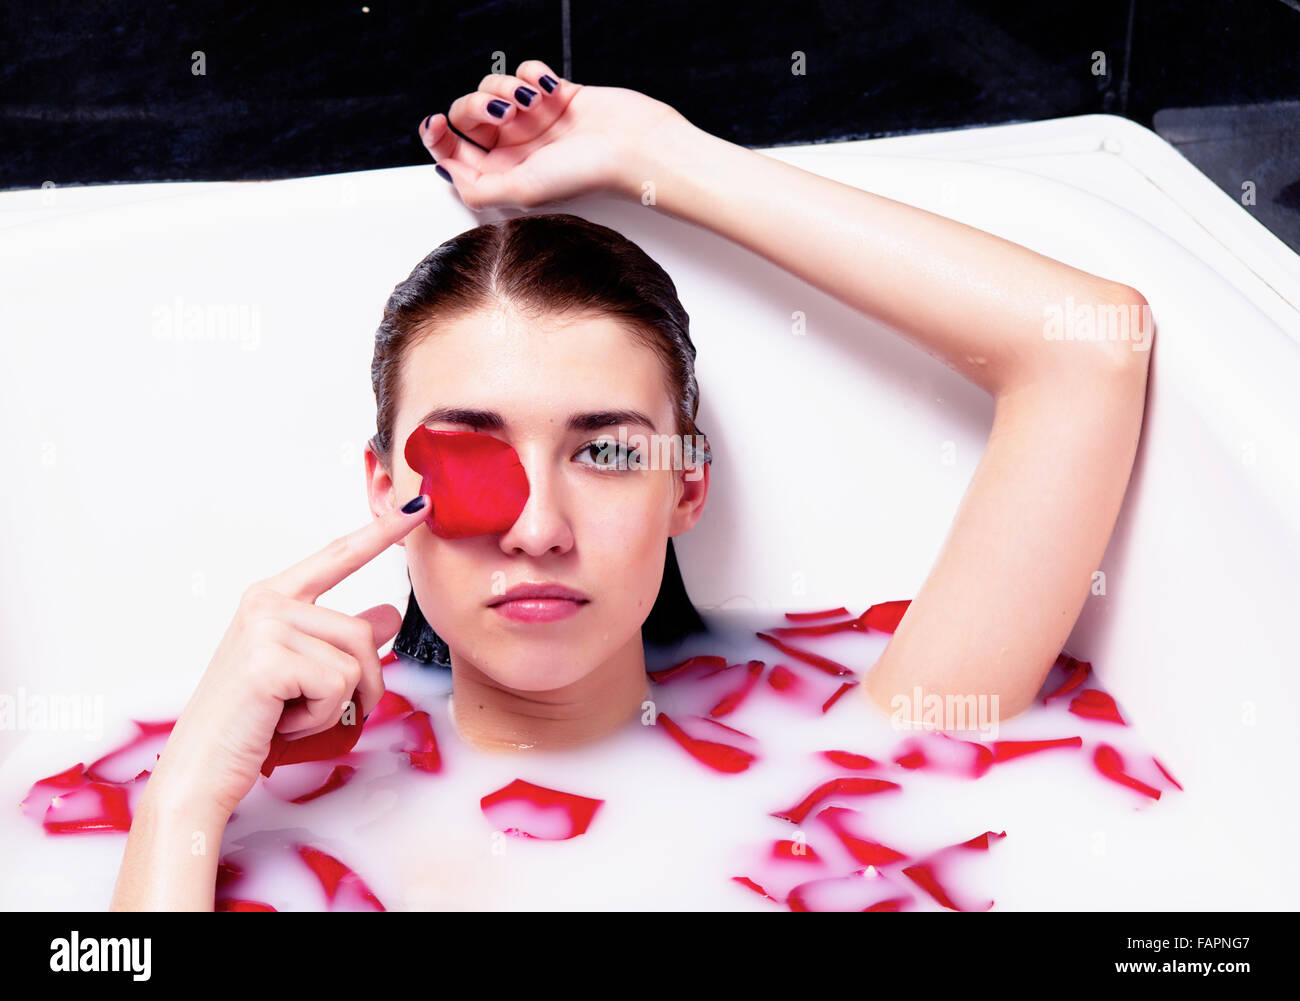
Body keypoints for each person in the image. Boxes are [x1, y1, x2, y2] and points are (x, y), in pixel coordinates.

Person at [111, 58, 1152, 910]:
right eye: (471, 450)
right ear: (388, 489)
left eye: (605, 450)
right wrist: (184, 799)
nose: (537, 528)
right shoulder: (257, 821)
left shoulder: (878, 747)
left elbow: (1087, 350)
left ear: (686, 488)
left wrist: (664, 155)